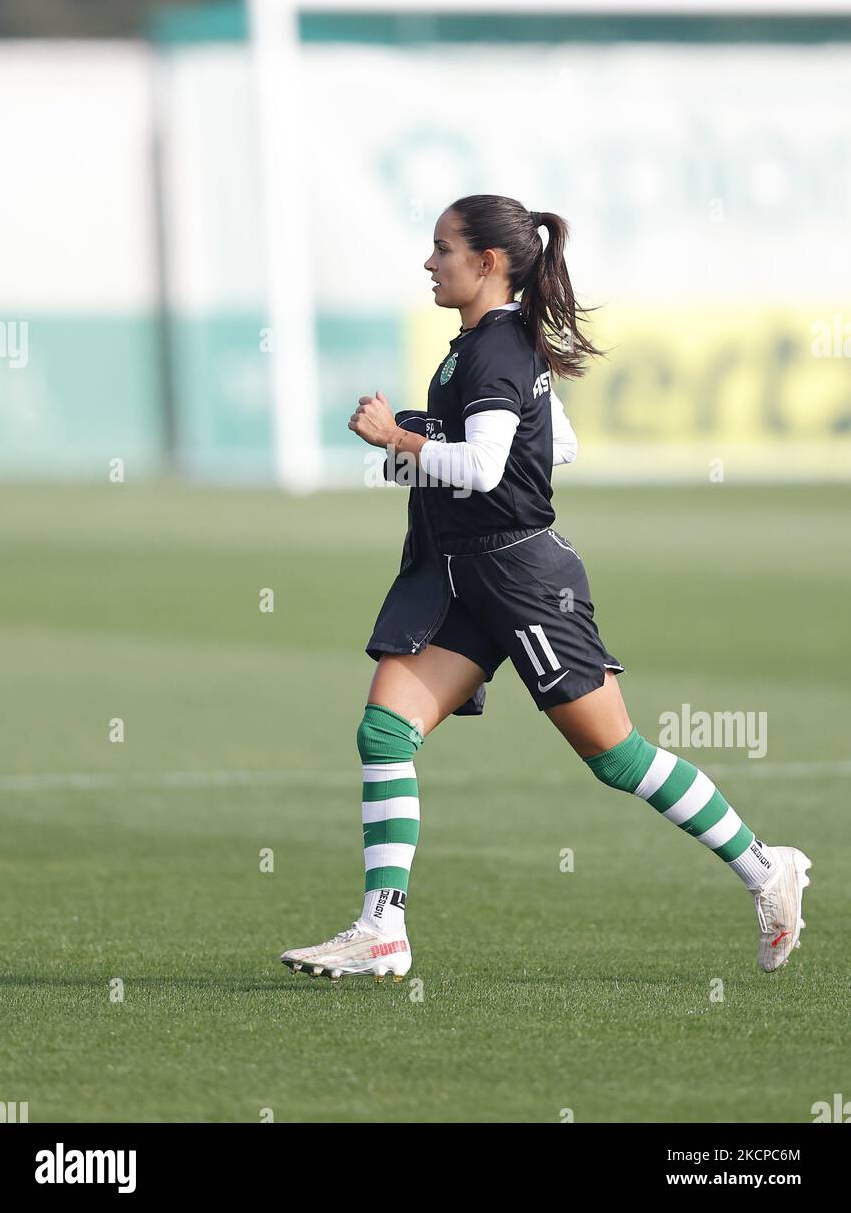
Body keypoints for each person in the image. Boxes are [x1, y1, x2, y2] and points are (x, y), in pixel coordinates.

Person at [281, 194, 811, 983]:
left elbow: (491, 467)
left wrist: (400, 439)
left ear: (487, 263)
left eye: (442, 249)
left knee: (616, 756)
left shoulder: (495, 350)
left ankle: (768, 871)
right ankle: (381, 929)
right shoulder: (483, 346)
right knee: (386, 729)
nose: (430, 263)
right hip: (467, 575)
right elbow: (557, 442)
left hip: (525, 584)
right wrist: (421, 452)